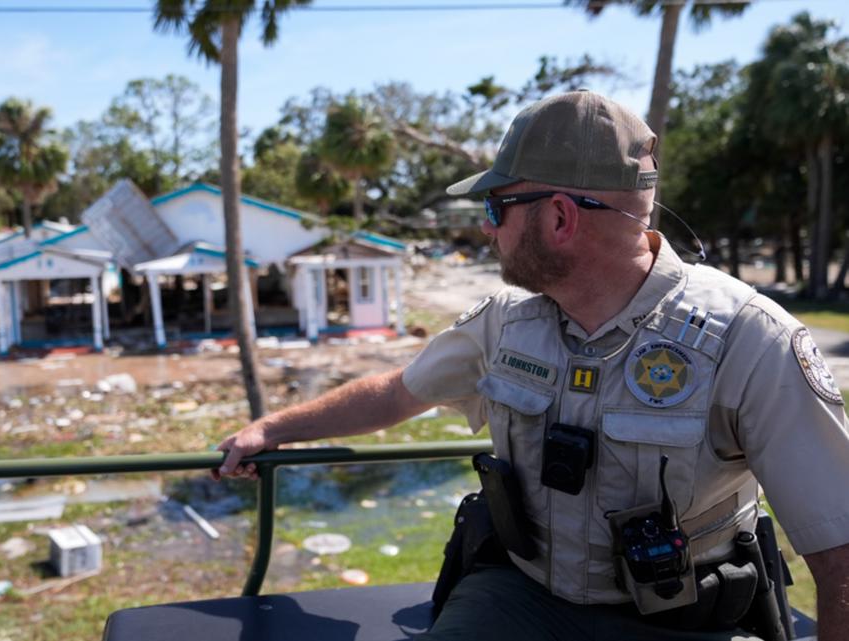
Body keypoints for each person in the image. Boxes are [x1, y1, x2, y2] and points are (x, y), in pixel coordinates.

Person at [212, 91, 849, 641]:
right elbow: (395, 394)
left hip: (681, 619)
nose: (488, 231)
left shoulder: (749, 340)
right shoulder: (504, 321)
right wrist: (273, 429)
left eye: (496, 209)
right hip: (521, 597)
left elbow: (840, 556)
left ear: (560, 217)